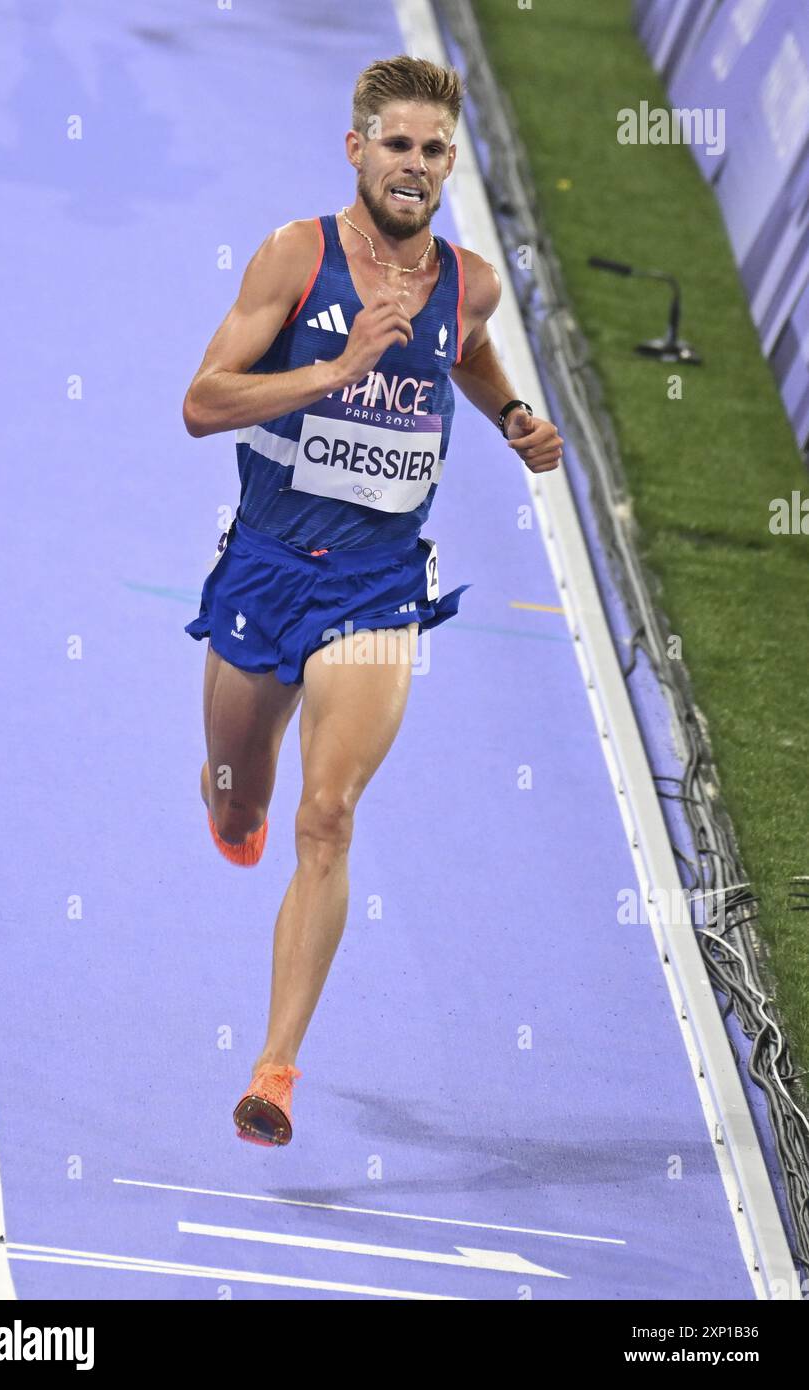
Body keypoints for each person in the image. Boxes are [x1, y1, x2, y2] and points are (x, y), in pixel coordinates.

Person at [182, 55, 563, 1147]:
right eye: (396, 145)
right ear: (357, 150)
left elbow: (469, 352)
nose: (414, 165)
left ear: (450, 165)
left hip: (377, 585)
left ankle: (274, 1068)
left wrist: (514, 417)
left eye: (433, 151)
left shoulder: (467, 281)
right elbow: (204, 402)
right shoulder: (292, 257)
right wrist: (334, 369)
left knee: (327, 815)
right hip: (262, 567)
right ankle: (227, 808)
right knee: (240, 804)